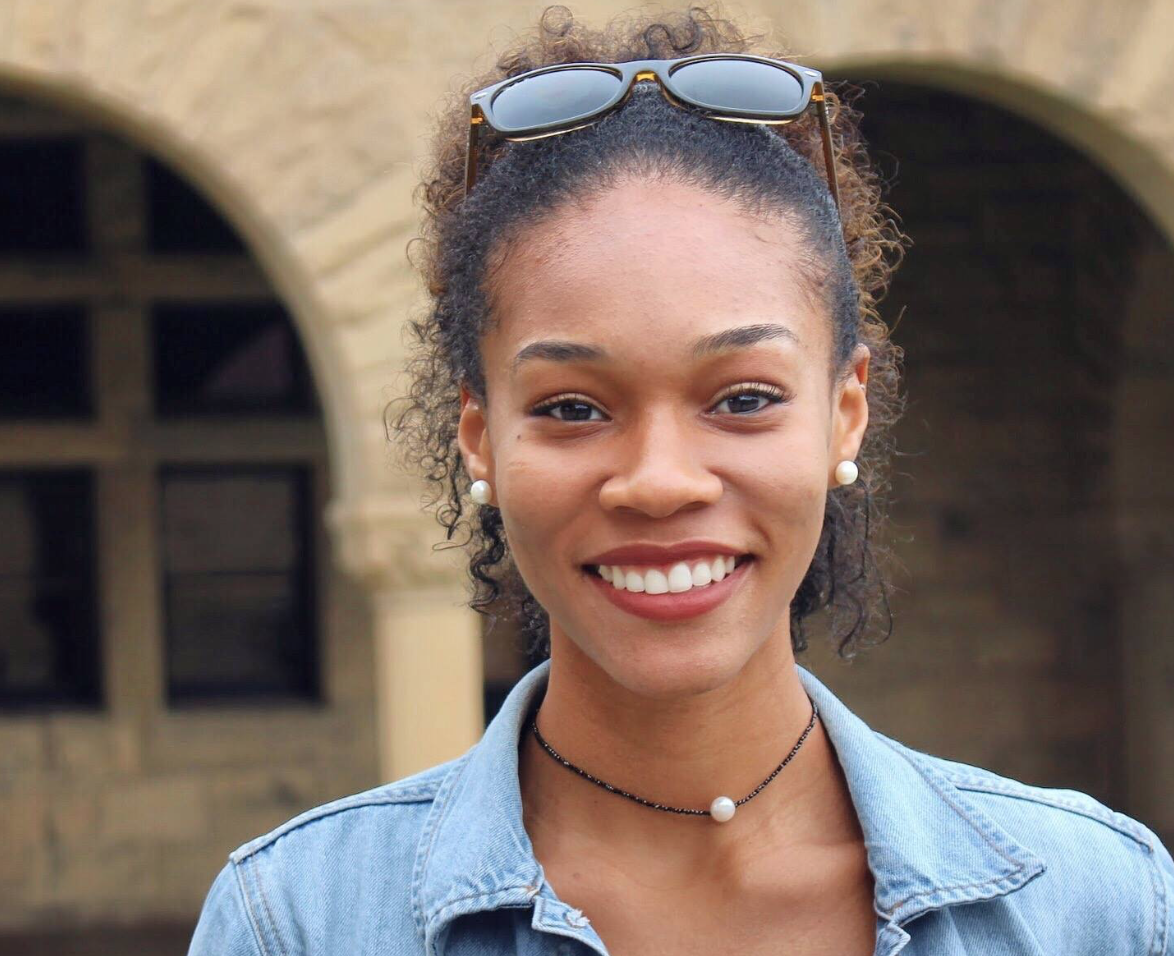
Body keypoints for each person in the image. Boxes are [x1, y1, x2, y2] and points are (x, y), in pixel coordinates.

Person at [188, 6, 1173, 954]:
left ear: (845, 409)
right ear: (479, 435)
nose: (658, 481)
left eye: (741, 397)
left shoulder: (1093, 903)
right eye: (572, 406)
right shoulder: (298, 919)